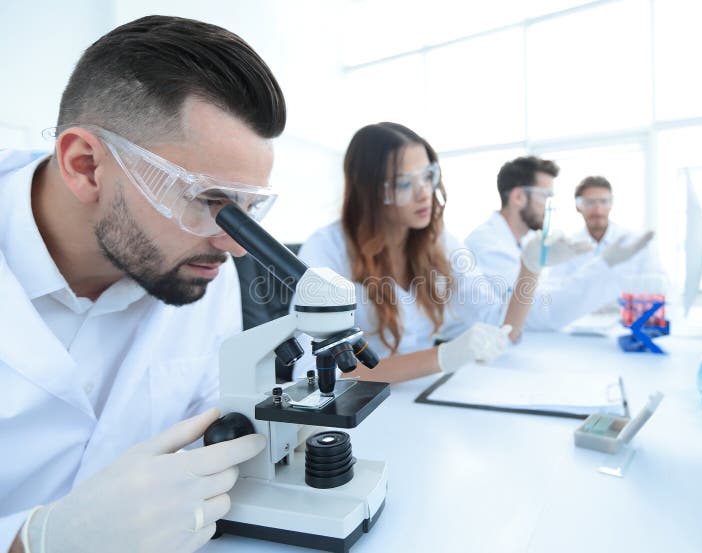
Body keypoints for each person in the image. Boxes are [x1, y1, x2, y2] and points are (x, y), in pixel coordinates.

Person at [1, 16, 287, 553]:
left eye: (250, 209)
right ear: (86, 166)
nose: (237, 245)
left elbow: (212, 431)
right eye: (209, 201)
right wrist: (34, 542)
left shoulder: (198, 265)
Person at [292, 123, 542, 383]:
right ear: (369, 191)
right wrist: (441, 357)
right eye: (404, 183)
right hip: (360, 410)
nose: (424, 192)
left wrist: (531, 266)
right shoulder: (326, 248)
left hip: (423, 397)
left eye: (427, 176)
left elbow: (502, 329)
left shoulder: (440, 242)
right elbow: (312, 374)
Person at [465, 157, 653, 331]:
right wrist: (603, 265)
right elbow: (537, 311)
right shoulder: (488, 245)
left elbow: (546, 293)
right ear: (518, 197)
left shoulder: (520, 242)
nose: (549, 207)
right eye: (545, 196)